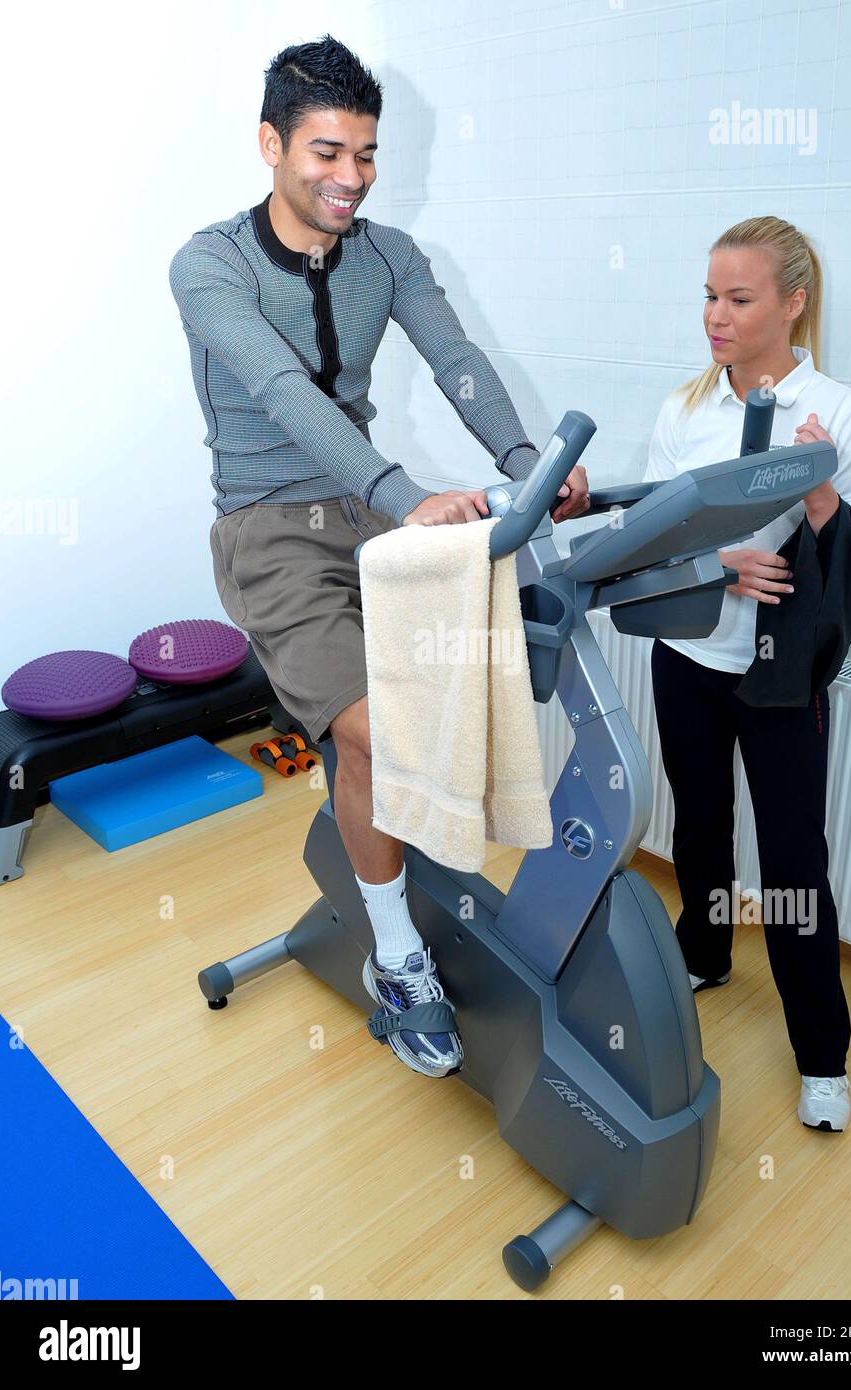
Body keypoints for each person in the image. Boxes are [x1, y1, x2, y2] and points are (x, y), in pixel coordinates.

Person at [168, 35, 590, 1079]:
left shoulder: (392, 255)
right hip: (271, 526)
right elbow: (281, 393)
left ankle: (391, 860)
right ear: (270, 144)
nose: (349, 177)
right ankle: (396, 961)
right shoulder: (207, 263)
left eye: (364, 153)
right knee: (368, 732)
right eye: (325, 151)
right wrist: (403, 499)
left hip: (371, 517)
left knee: (416, 723)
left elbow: (456, 361)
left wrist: (529, 461)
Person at [643, 216, 851, 1132]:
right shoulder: (686, 410)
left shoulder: (844, 415)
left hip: (780, 678)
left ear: (792, 303)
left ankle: (822, 1056)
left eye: (739, 299)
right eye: (710, 295)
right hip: (689, 658)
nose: (716, 315)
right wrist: (719, 567)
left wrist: (822, 496)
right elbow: (658, 540)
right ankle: (703, 955)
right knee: (698, 825)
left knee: (791, 864)